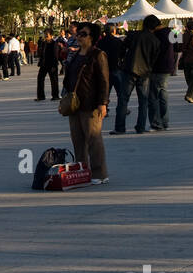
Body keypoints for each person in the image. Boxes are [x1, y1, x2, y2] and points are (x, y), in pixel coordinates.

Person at [62, 24, 110, 185]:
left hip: (91, 104)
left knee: (93, 139)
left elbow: (104, 81)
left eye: (83, 34)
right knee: (77, 139)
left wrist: (102, 103)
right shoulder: (75, 55)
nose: (79, 36)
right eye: (79, 33)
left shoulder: (98, 55)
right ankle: (83, 170)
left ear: (92, 37)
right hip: (75, 105)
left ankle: (100, 173)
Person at [113, 20, 158, 135]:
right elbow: (155, 58)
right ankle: (141, 126)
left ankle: (120, 127)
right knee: (143, 101)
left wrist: (121, 59)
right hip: (145, 72)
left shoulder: (133, 35)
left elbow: (122, 48)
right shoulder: (155, 40)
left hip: (129, 69)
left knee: (123, 99)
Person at [146, 17, 175, 130]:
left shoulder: (157, 35)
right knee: (163, 93)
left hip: (157, 67)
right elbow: (177, 47)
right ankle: (165, 121)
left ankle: (156, 122)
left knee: (153, 95)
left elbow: (154, 52)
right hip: (168, 67)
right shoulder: (170, 32)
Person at [35, 29, 60, 102]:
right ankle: (40, 96)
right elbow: (41, 53)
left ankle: (55, 96)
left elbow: (56, 55)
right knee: (40, 79)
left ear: (51, 36)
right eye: (45, 34)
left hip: (52, 64)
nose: (45, 36)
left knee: (54, 80)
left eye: (47, 35)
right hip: (44, 64)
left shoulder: (54, 43)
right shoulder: (43, 43)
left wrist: (54, 64)